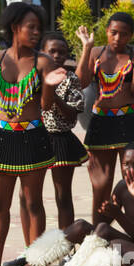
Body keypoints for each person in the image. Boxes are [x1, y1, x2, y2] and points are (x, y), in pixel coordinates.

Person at [0, 3, 64, 266]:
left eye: (38, 28)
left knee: (33, 204)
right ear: (14, 28)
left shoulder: (42, 62)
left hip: (32, 133)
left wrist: (50, 84)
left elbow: (45, 105)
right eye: (29, 27)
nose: (35, 33)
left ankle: (35, 265)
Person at [76, 13, 134, 222]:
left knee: (133, 180)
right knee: (101, 183)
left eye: (123, 34)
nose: (117, 38)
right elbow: (81, 82)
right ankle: (99, 236)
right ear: (106, 31)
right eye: (113, 33)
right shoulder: (96, 52)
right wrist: (86, 48)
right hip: (102, 123)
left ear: (130, 36)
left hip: (130, 120)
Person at [40, 31, 89, 231]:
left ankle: (66, 244)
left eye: (62, 52)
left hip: (60, 139)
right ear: (42, 53)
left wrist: (53, 94)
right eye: (52, 51)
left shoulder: (71, 79)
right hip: (35, 137)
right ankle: (33, 247)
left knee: (63, 196)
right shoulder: (34, 75)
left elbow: (71, 115)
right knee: (30, 196)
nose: (57, 56)